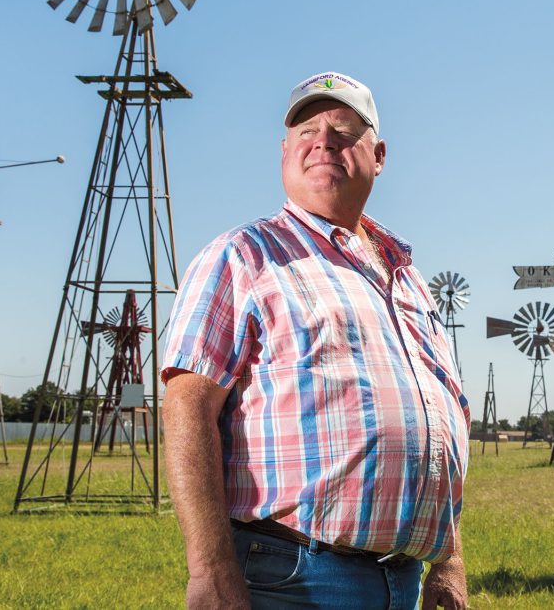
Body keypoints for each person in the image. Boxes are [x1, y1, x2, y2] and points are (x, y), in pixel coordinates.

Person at [162, 72, 470, 610]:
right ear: (285, 153)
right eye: (307, 130)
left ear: (378, 155)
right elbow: (187, 408)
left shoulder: (407, 277)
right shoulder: (244, 256)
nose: (323, 141)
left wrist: (448, 560)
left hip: (404, 581)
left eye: (344, 130)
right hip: (292, 580)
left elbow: (439, 422)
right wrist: (209, 569)